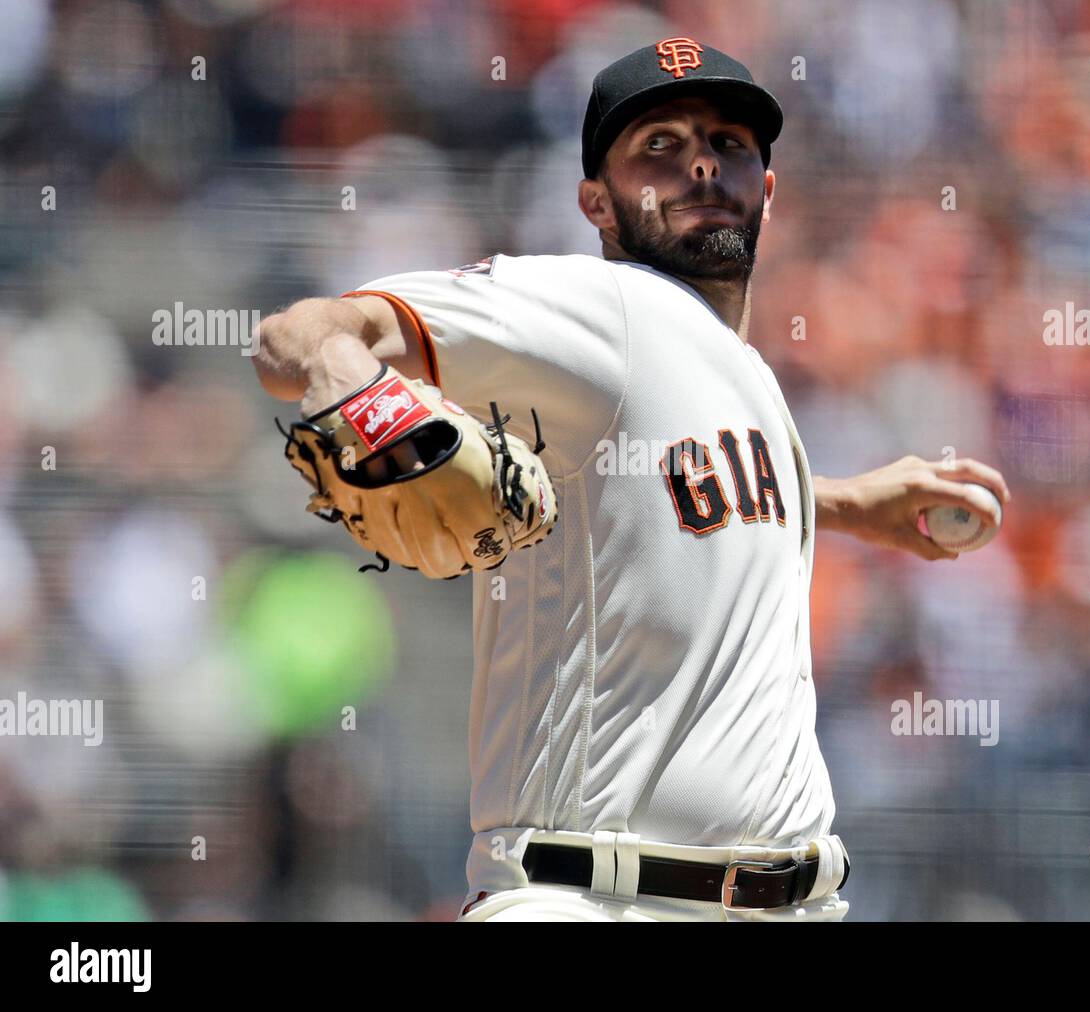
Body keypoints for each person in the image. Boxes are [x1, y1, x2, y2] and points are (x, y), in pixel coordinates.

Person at [252, 37, 1010, 922]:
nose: (699, 160)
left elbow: (661, 493)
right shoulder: (603, 310)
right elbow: (295, 337)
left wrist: (835, 504)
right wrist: (349, 379)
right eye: (657, 144)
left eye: (729, 142)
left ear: (766, 190)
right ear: (597, 204)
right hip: (597, 898)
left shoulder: (744, 378)